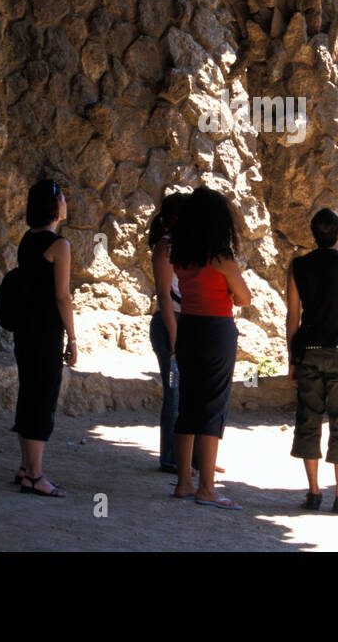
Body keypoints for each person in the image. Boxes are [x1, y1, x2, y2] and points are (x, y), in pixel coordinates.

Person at [169, 186, 251, 509]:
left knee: (187, 406)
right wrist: (228, 294)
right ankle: (207, 488)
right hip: (217, 331)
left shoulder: (181, 257)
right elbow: (244, 298)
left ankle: (184, 483)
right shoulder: (222, 259)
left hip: (187, 328)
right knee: (213, 407)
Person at [285, 207, 338, 514]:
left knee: (308, 419)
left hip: (307, 351)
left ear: (313, 234)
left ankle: (313, 493)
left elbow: (292, 317)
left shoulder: (297, 267)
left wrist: (292, 359)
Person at [11, 178, 78, 496]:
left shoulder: (27, 239)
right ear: (53, 206)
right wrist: (74, 339)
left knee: (29, 395)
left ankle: (26, 467)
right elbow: (63, 297)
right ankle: (35, 475)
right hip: (46, 333)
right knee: (42, 399)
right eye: (62, 197)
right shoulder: (59, 245)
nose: (66, 202)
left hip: (25, 330)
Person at [148, 191, 188, 473]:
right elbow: (164, 294)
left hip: (182, 322)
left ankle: (188, 456)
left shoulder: (182, 245)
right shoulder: (164, 247)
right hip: (169, 323)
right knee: (174, 392)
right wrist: (174, 336)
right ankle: (170, 457)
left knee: (186, 394)